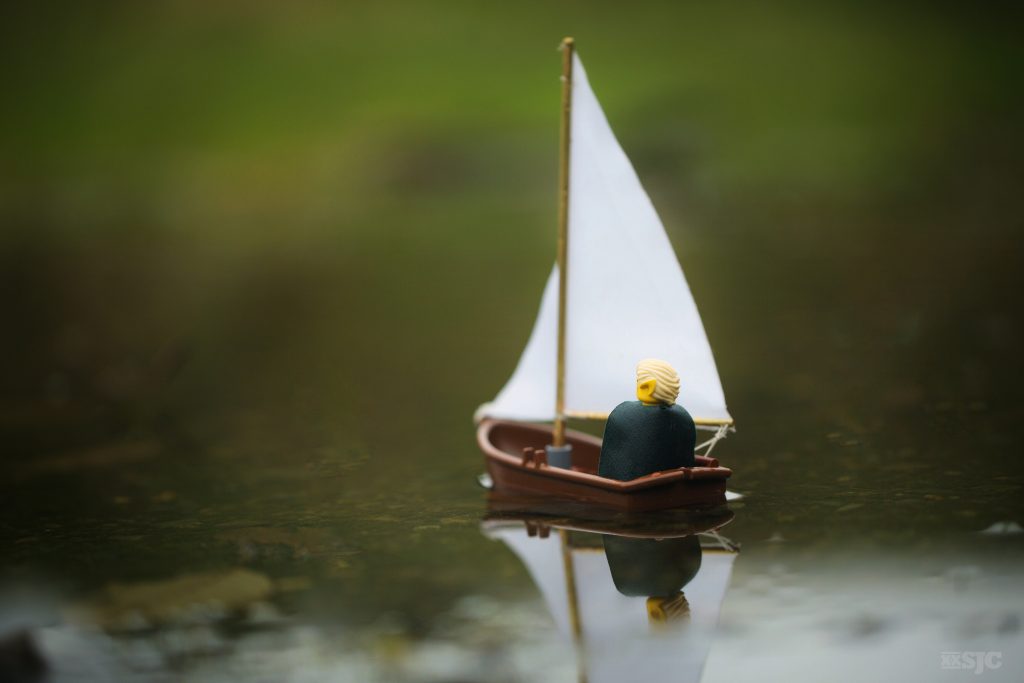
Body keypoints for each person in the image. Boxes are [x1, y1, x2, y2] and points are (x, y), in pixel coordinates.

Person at [598, 358, 696, 481]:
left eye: (638, 381)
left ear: (647, 387)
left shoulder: (624, 416)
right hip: (685, 486)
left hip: (633, 490)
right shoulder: (683, 417)